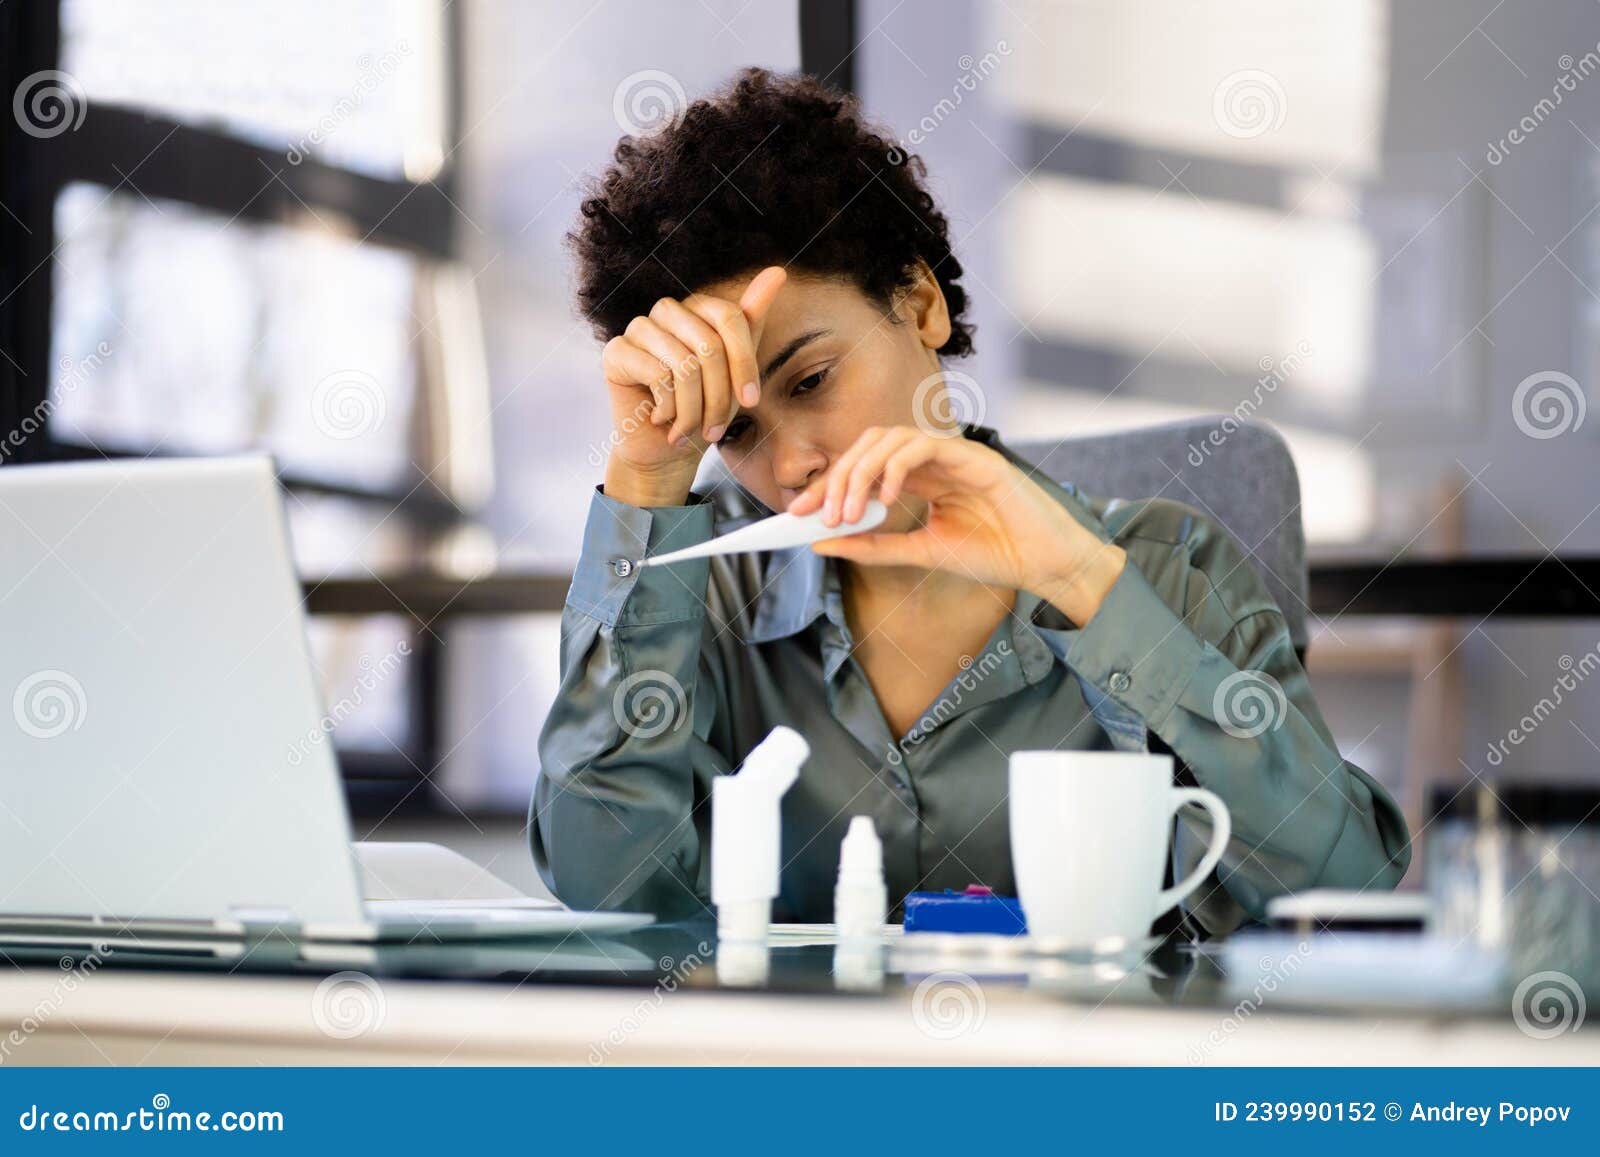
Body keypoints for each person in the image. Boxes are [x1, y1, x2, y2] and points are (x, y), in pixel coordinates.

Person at [531, 67, 1410, 938]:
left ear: (918, 307)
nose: (793, 462)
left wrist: (1083, 581)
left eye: (813, 378)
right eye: (736, 430)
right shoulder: (701, 596)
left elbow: (1345, 892)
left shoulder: (1165, 569)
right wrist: (646, 481)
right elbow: (611, 895)